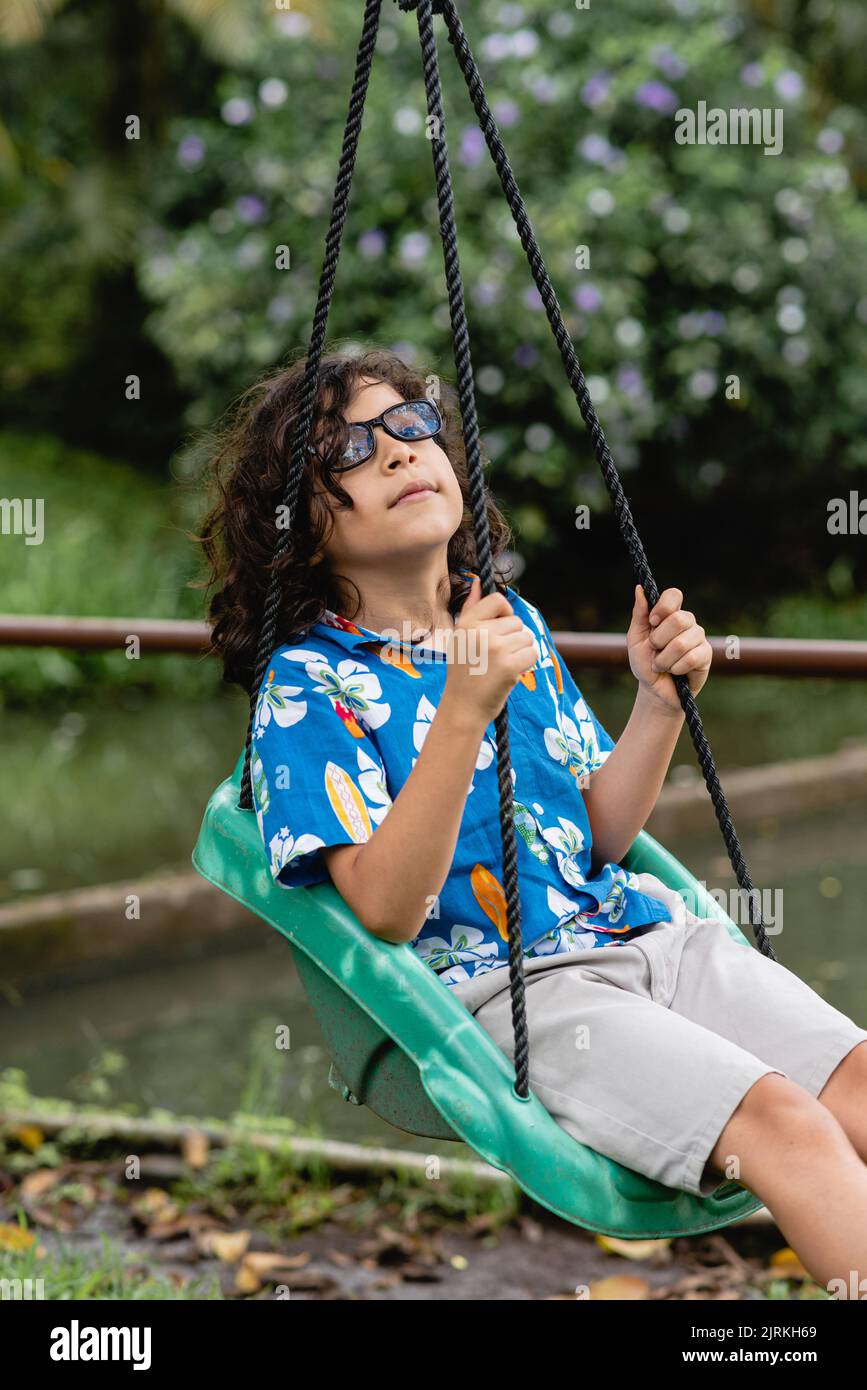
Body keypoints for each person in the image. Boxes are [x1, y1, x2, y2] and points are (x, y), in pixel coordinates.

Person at [199, 344, 867, 1294]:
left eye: (408, 425)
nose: (393, 452)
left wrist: (657, 704)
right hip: (522, 993)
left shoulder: (510, 623)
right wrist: (462, 708)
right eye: (344, 451)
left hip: (649, 936)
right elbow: (384, 910)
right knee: (784, 1123)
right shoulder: (308, 690)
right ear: (295, 530)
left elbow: (590, 838)